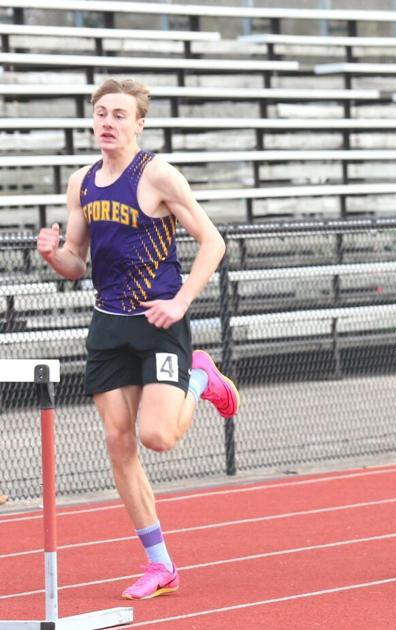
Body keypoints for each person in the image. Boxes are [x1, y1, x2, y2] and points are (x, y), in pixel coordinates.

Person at [35, 78, 240, 600]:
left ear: (139, 123)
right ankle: (160, 565)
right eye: (101, 113)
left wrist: (181, 302)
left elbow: (213, 242)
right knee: (118, 442)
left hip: (158, 324)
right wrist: (54, 255)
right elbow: (76, 263)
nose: (107, 122)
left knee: (158, 437)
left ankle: (200, 378)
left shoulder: (158, 176)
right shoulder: (82, 183)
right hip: (108, 326)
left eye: (119, 114)